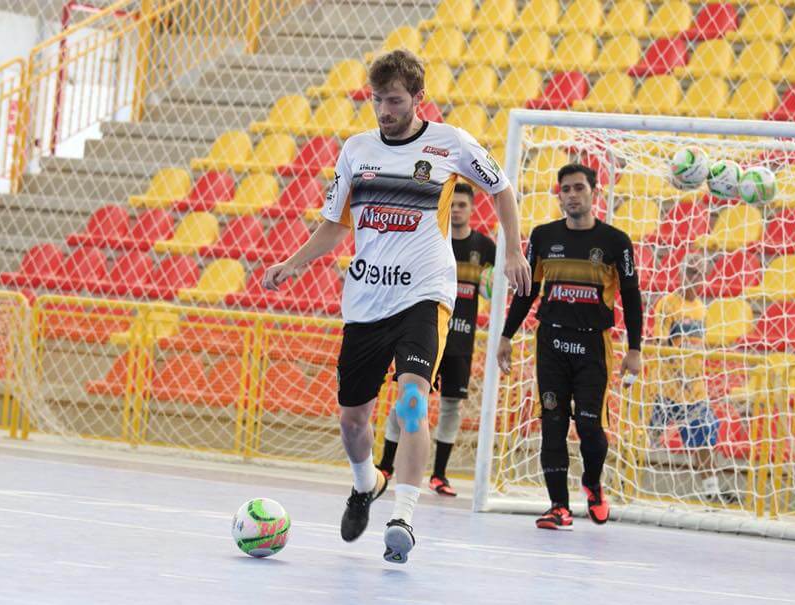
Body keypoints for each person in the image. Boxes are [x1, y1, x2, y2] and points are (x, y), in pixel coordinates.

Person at [263, 49, 530, 563]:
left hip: (424, 294)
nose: (384, 111)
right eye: (377, 100)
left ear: (418, 99)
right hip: (366, 299)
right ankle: (367, 483)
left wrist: (513, 248)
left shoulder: (450, 143)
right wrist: (293, 263)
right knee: (352, 420)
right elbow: (336, 223)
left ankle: (404, 517)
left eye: (394, 101)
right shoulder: (356, 151)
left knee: (412, 399)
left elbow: (501, 188)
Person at [497, 163, 643, 531]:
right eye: (566, 189)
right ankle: (558, 506)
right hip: (551, 343)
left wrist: (635, 348)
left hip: (594, 344)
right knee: (553, 423)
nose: (572, 194)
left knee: (591, 428)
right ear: (559, 194)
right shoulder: (543, 236)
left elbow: (631, 296)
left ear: (595, 192)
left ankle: (592, 484)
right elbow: (526, 291)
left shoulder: (615, 242)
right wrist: (505, 336)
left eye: (579, 187)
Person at [375, 181, 496, 497]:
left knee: (451, 405)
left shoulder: (485, 248)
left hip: (460, 339)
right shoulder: (431, 241)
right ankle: (386, 465)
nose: (456, 210)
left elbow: (496, 287)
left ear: (472, 208)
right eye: (452, 204)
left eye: (462, 205)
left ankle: (439, 474)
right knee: (409, 399)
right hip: (425, 334)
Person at [647, 252, 729, 503]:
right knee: (647, 435)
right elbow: (660, 342)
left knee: (704, 436)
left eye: (698, 273)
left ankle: (711, 490)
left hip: (694, 390)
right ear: (681, 274)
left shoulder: (702, 309)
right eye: (690, 272)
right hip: (668, 387)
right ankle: (619, 478)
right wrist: (677, 371)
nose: (694, 277)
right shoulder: (668, 304)